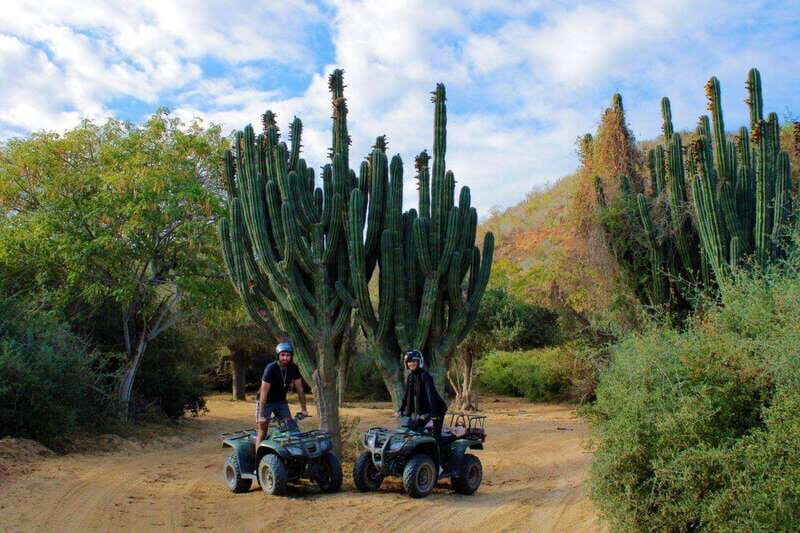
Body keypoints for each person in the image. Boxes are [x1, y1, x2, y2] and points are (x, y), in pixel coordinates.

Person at [255, 342, 308, 451]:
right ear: (278, 356)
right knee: (262, 431)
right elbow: (264, 392)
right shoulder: (270, 368)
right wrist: (261, 415)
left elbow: (300, 389)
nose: (285, 358)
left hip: (281, 402)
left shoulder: (293, 368)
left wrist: (303, 409)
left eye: (288, 355)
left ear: (291, 356)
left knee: (290, 428)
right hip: (266, 402)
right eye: (282, 355)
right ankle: (258, 462)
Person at [395, 349, 448, 440]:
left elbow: (431, 395)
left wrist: (433, 414)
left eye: (414, 361)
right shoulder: (410, 377)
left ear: (419, 361)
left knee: (435, 437)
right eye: (409, 361)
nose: (411, 363)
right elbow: (407, 395)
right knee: (414, 429)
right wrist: (401, 410)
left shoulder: (425, 376)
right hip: (425, 411)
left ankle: (440, 453)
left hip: (437, 409)